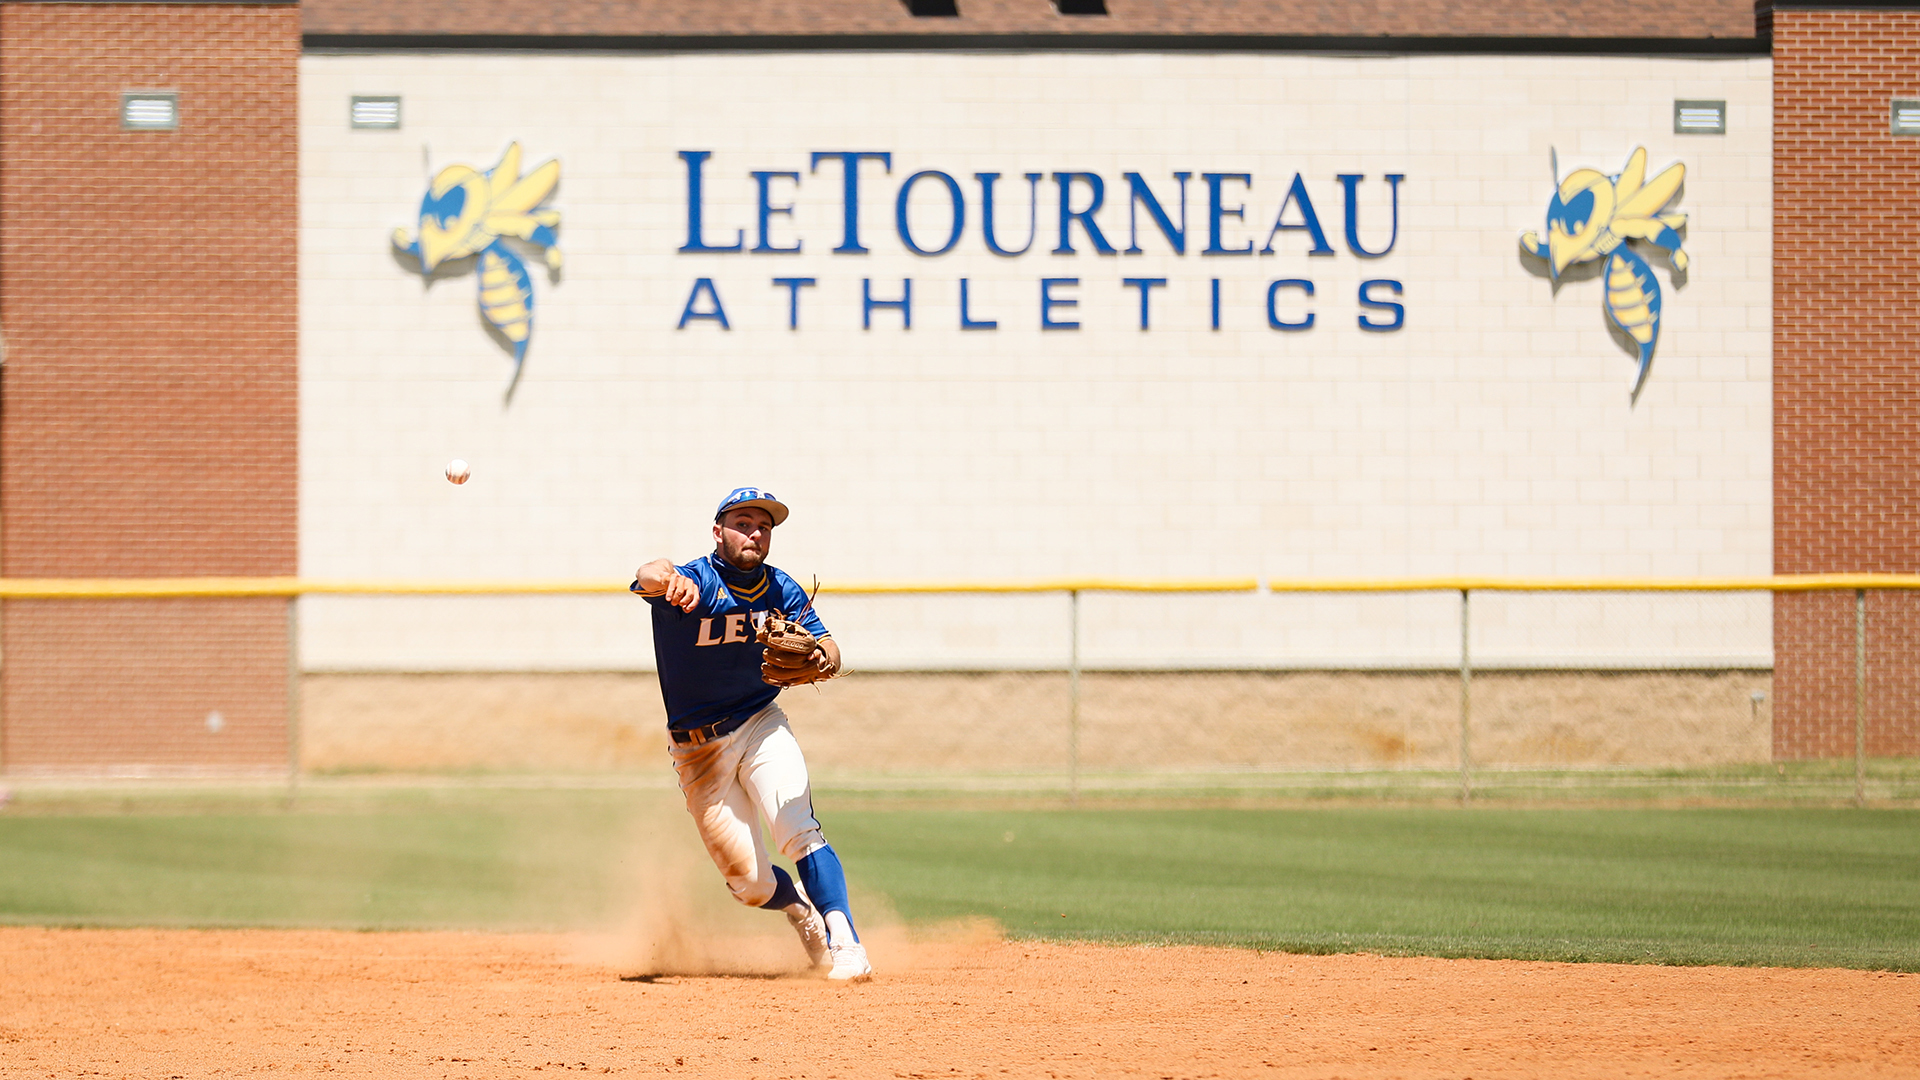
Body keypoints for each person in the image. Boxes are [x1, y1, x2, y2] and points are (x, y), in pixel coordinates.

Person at [630, 486, 871, 981]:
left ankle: (846, 943)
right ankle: (799, 909)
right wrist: (668, 579)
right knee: (751, 886)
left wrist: (825, 657)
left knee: (797, 826)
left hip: (760, 721)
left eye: (763, 525)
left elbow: (829, 644)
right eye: (742, 522)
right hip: (697, 751)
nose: (754, 532)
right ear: (718, 532)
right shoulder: (693, 578)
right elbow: (647, 573)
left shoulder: (781, 588)